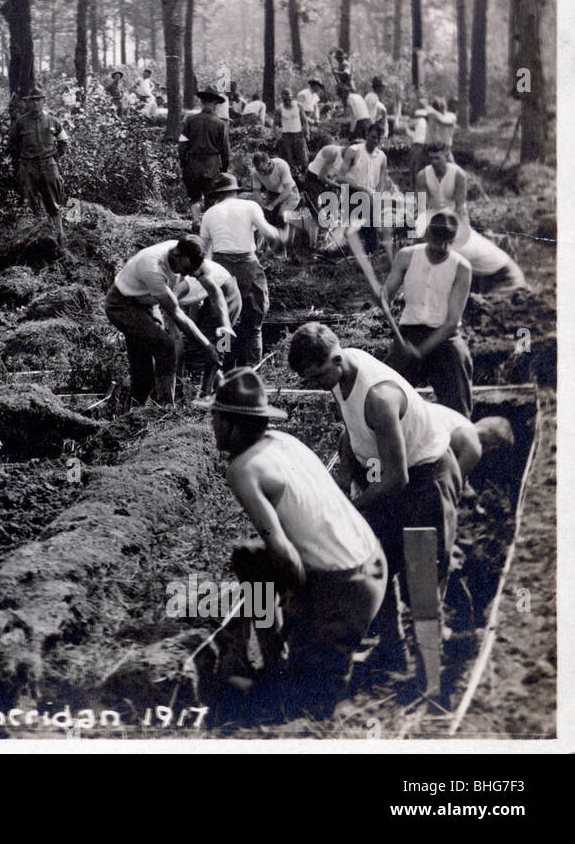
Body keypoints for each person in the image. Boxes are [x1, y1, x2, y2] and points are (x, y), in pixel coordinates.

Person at [200, 367, 386, 719]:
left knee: (300, 707)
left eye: (215, 418)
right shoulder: (284, 442)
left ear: (232, 423)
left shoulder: (243, 469)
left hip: (345, 588)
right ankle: (274, 660)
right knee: (248, 557)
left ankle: (299, 659)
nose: (212, 427)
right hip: (371, 562)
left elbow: (284, 554)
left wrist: (296, 608)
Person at [288, 322, 459, 675]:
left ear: (336, 358)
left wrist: (348, 507)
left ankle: (433, 666)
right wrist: (346, 473)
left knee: (423, 577)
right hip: (384, 474)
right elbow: (351, 431)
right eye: (310, 380)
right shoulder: (339, 373)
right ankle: (393, 652)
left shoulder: (379, 398)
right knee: (376, 566)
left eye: (318, 376)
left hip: (424, 480)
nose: (316, 385)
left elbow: (398, 479)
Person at [106, 237, 229, 406]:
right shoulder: (154, 268)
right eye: (185, 270)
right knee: (164, 348)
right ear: (178, 256)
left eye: (191, 271)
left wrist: (226, 328)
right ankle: (165, 409)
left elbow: (216, 294)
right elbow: (177, 317)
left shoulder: (192, 261)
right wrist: (207, 346)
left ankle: (210, 393)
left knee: (211, 350)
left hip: (227, 298)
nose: (186, 274)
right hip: (124, 304)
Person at [383, 212, 474, 417]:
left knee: (458, 404)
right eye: (435, 242)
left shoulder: (462, 268)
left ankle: (460, 436)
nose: (440, 249)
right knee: (385, 394)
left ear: (452, 241)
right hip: (409, 334)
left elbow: (451, 322)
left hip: (445, 338)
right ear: (426, 235)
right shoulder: (406, 256)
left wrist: (421, 350)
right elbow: (386, 294)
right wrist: (381, 297)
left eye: (446, 244)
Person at [199, 173, 282, 367]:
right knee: (254, 326)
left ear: (217, 194)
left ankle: (222, 368)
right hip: (247, 266)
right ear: (236, 192)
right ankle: (251, 371)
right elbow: (269, 233)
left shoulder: (210, 213)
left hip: (221, 268)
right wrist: (279, 237)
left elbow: (203, 250)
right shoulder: (250, 206)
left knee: (223, 321)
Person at [8, 85, 70, 250]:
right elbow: (12, 144)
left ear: (43, 101)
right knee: (28, 203)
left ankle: (59, 240)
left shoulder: (53, 121)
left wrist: (54, 158)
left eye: (38, 100)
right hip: (28, 167)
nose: (35, 104)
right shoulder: (21, 122)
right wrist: (20, 164)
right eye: (32, 101)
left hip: (48, 165)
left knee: (54, 204)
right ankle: (31, 243)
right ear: (27, 103)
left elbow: (63, 141)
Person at [176, 258, 242, 395]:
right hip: (231, 296)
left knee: (211, 350)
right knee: (217, 350)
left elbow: (194, 304)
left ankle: (207, 394)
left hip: (226, 297)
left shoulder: (190, 278)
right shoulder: (186, 269)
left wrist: (191, 333)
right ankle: (225, 391)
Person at [337, 122, 396, 266]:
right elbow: (340, 177)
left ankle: (372, 250)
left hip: (369, 197)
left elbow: (381, 183)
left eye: (378, 138)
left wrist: (379, 197)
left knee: (377, 210)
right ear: (366, 135)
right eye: (373, 137)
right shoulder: (354, 151)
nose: (375, 141)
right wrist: (361, 189)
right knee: (366, 212)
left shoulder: (382, 157)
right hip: (351, 194)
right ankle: (370, 249)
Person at [178, 88, 231, 227]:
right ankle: (209, 225)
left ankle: (196, 222)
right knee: (210, 198)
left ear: (202, 102)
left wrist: (183, 162)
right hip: (211, 165)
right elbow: (225, 149)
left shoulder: (190, 121)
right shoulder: (221, 124)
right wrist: (224, 168)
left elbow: (182, 143)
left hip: (193, 163)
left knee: (194, 196)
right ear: (215, 104)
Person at [249, 152, 301, 230]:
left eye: (263, 170)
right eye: (259, 170)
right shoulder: (255, 173)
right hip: (272, 193)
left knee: (282, 216)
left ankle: (287, 236)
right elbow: (256, 192)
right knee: (264, 216)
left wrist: (273, 205)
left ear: (269, 163)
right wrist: (261, 205)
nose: (262, 173)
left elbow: (287, 190)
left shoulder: (281, 165)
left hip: (289, 192)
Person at [276, 88, 310, 172]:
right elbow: (275, 124)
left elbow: (304, 121)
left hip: (298, 134)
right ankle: (295, 175)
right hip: (286, 135)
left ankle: (304, 175)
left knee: (303, 157)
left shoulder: (298, 106)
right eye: (284, 99)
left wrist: (307, 133)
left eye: (288, 98)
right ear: (282, 99)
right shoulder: (279, 109)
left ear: (292, 96)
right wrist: (277, 135)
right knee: (289, 157)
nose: (287, 101)